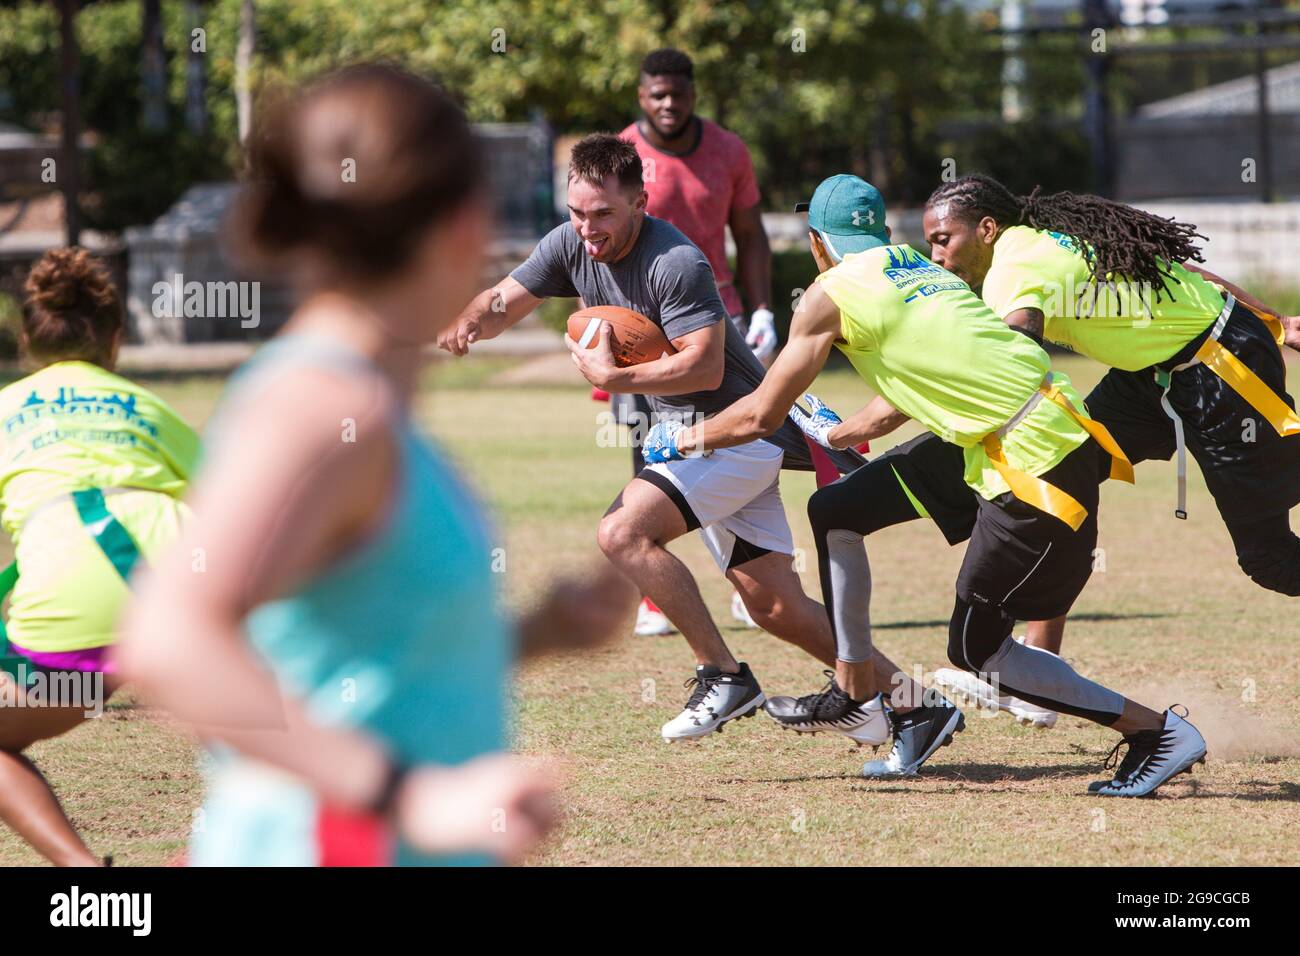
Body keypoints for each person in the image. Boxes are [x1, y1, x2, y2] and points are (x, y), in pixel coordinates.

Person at [119, 66, 635, 867]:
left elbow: (358, 666)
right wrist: (407, 796)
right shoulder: (325, 408)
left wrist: (534, 635)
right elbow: (167, 638)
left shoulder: (360, 405)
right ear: (464, 226)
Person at [650, 174, 1209, 796]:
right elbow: (911, 394)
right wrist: (839, 436)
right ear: (882, 233)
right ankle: (857, 689)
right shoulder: (919, 268)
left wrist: (683, 439)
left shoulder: (827, 293)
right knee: (838, 510)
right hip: (1012, 433)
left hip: (1034, 463)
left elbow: (759, 414)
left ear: (816, 244)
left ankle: (1155, 732)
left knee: (980, 654)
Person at [440, 135, 925, 746]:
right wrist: (468, 321)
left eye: (602, 214)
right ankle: (915, 702)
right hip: (692, 436)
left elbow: (705, 369)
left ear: (640, 201)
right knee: (777, 608)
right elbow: (505, 300)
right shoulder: (572, 243)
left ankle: (723, 675)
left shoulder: (677, 261)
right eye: (576, 212)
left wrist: (617, 377)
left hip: (736, 432)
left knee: (622, 532)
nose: (586, 228)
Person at [920, 173, 1300, 723]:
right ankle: (1031, 670)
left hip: (1220, 369)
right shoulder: (1046, 237)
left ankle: (1020, 666)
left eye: (942, 239)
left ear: (986, 228)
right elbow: (1185, 273)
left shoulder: (1012, 269)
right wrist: (1277, 319)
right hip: (1154, 372)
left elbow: (1018, 341)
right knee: (1059, 471)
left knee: (1268, 558)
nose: (935, 254)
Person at [0, 247, 198, 865]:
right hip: (185, 570)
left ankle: (88, 883)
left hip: (73, 584)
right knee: (287, 750)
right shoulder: (146, 406)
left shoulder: (7, 409)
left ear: (24, 339)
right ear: (115, 340)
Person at [618, 47, 778, 635]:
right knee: (648, 452)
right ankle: (656, 595)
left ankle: (754, 585)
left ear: (693, 94)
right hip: (640, 331)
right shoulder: (621, 153)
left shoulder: (728, 151)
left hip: (720, 326)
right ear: (642, 95)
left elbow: (750, 233)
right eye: (656, 94)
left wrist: (763, 308)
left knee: (736, 447)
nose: (667, 104)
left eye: (677, 93)